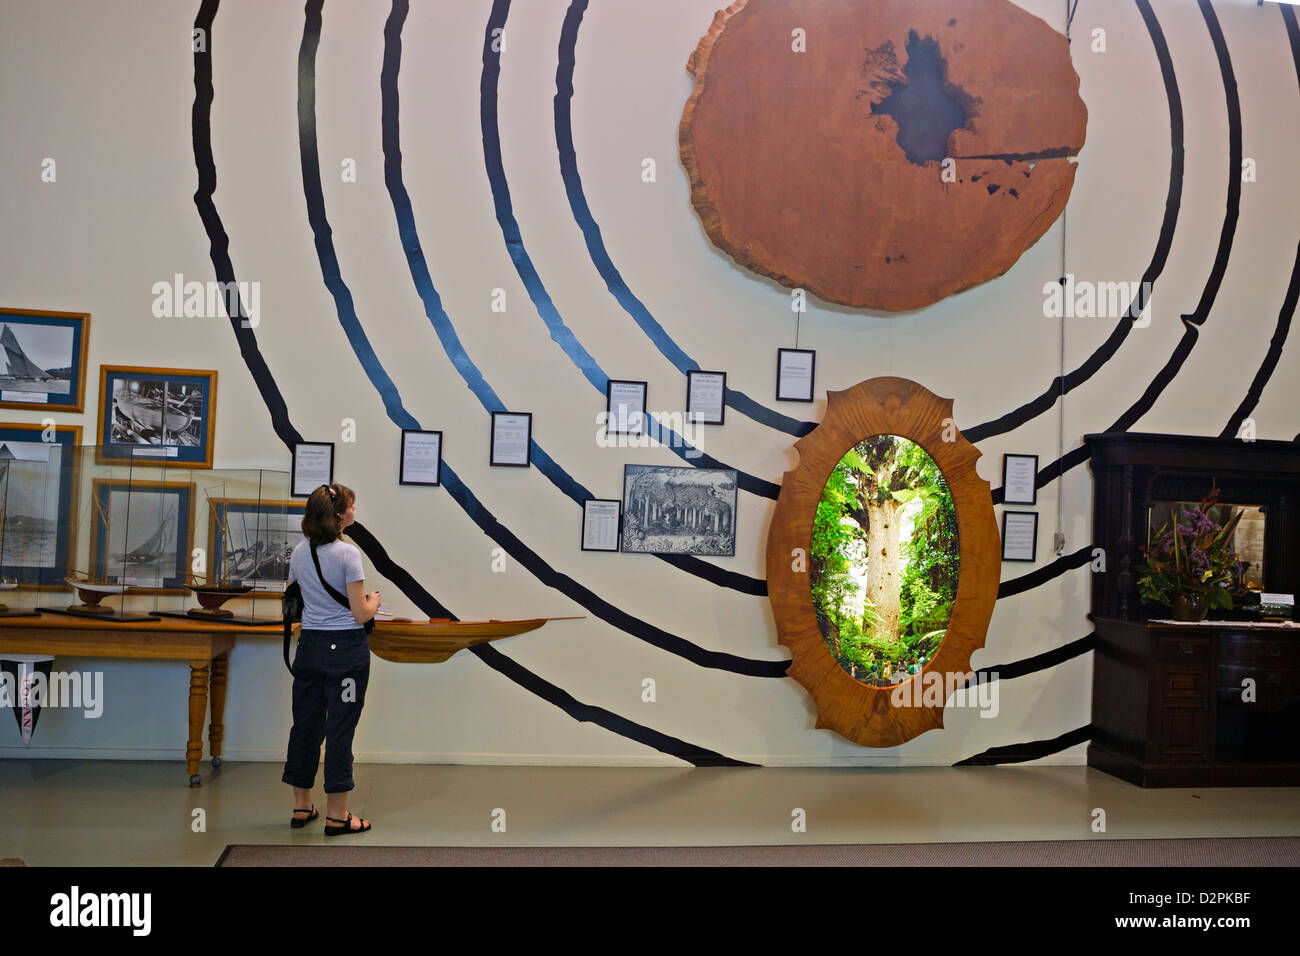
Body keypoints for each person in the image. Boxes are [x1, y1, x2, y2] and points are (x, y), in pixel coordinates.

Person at [281, 482, 381, 835]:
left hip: (309, 648)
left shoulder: (299, 552)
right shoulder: (348, 554)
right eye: (351, 507)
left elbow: (295, 599)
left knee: (305, 727)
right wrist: (376, 600)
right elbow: (359, 614)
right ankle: (338, 816)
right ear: (338, 516)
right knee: (340, 730)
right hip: (347, 654)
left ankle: (301, 806)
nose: (355, 511)